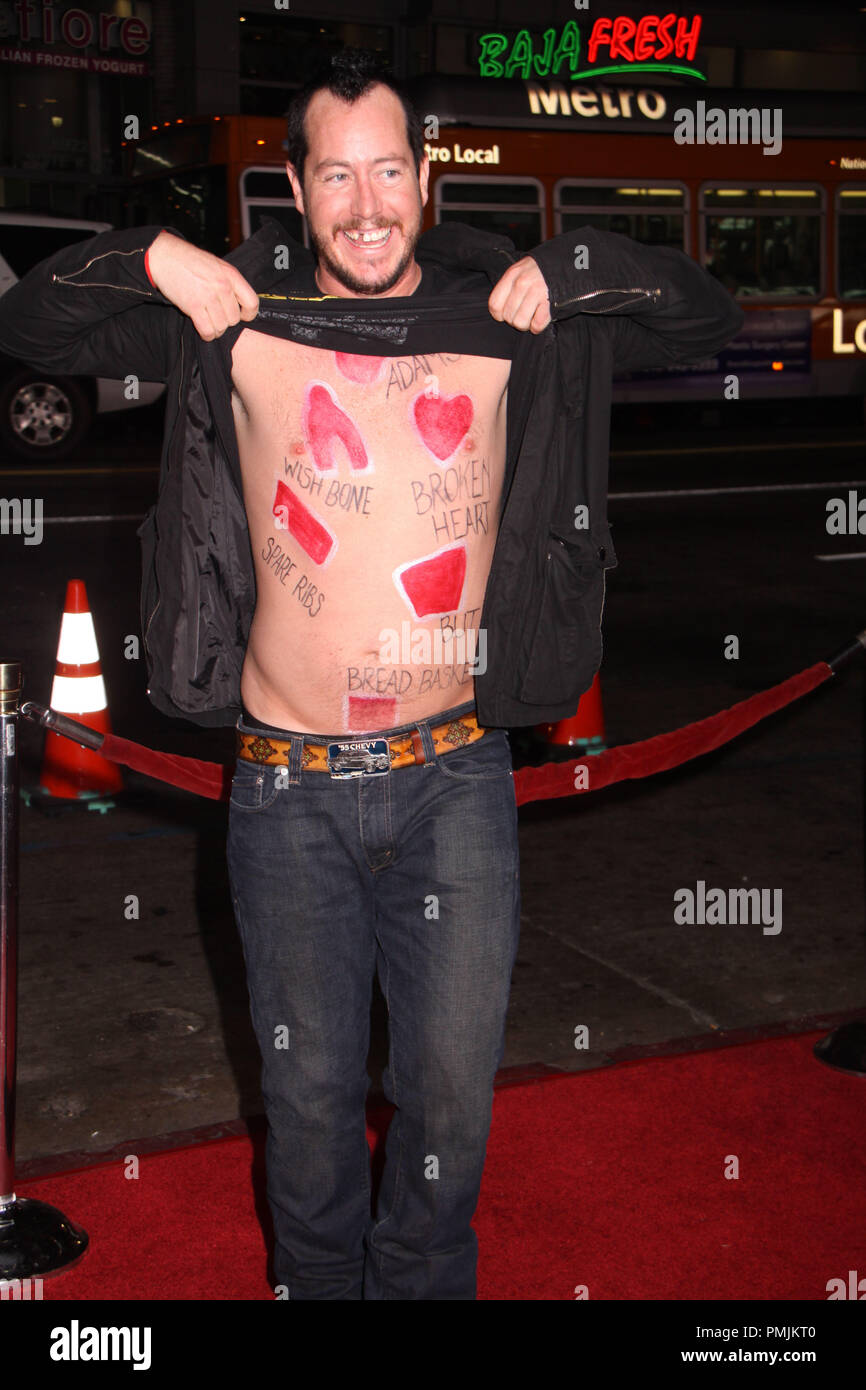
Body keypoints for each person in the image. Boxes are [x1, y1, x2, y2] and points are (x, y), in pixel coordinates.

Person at [0, 49, 744, 1300]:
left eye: (387, 169)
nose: (362, 203)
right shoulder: (231, 318)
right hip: (285, 792)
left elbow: (702, 314)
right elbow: (25, 322)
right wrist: (151, 256)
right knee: (303, 1109)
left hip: (455, 780)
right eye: (333, 173)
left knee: (448, 1109)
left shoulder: (514, 320)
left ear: (425, 177)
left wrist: (569, 263)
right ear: (294, 185)